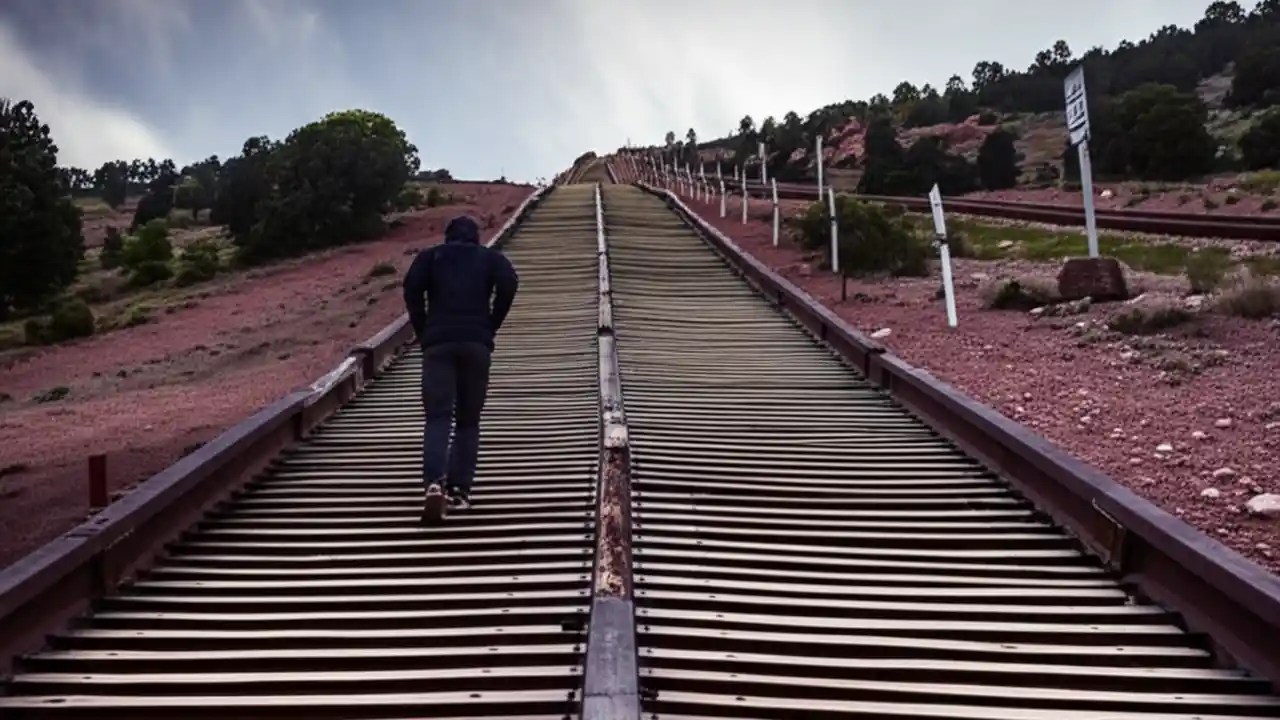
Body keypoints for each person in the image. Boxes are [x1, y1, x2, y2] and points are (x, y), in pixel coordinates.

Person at [402, 215, 518, 524]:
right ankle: (460, 492)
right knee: (468, 420)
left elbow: (411, 289)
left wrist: (423, 329)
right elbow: (509, 284)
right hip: (476, 344)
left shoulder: (431, 257)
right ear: (476, 238)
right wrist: (491, 324)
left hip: (438, 344)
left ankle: (433, 483)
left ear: (448, 236)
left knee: (438, 416)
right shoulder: (491, 259)